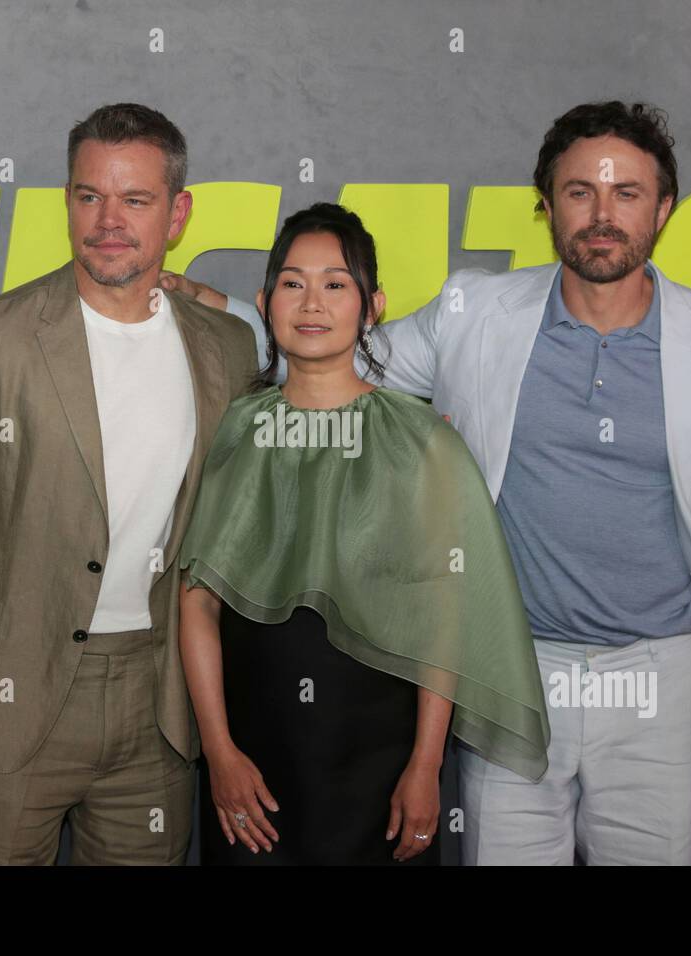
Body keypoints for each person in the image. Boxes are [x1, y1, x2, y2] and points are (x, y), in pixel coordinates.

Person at [164, 101, 691, 865]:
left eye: (626, 192)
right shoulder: (477, 312)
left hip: (661, 674)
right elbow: (342, 351)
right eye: (578, 191)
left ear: (662, 210)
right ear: (548, 205)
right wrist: (230, 315)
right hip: (511, 668)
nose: (601, 212)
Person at [0, 102, 257, 864]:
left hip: (159, 702)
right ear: (67, 202)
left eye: (136, 199)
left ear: (178, 213)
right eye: (89, 196)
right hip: (9, 701)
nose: (109, 220)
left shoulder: (225, 350)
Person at [176, 202, 549, 865]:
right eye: (293, 283)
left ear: (371, 305)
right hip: (251, 763)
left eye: (336, 284)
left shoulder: (422, 440)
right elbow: (196, 604)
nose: (312, 302)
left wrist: (426, 766)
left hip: (381, 762)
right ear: (265, 303)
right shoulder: (237, 430)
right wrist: (220, 753)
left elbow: (444, 615)